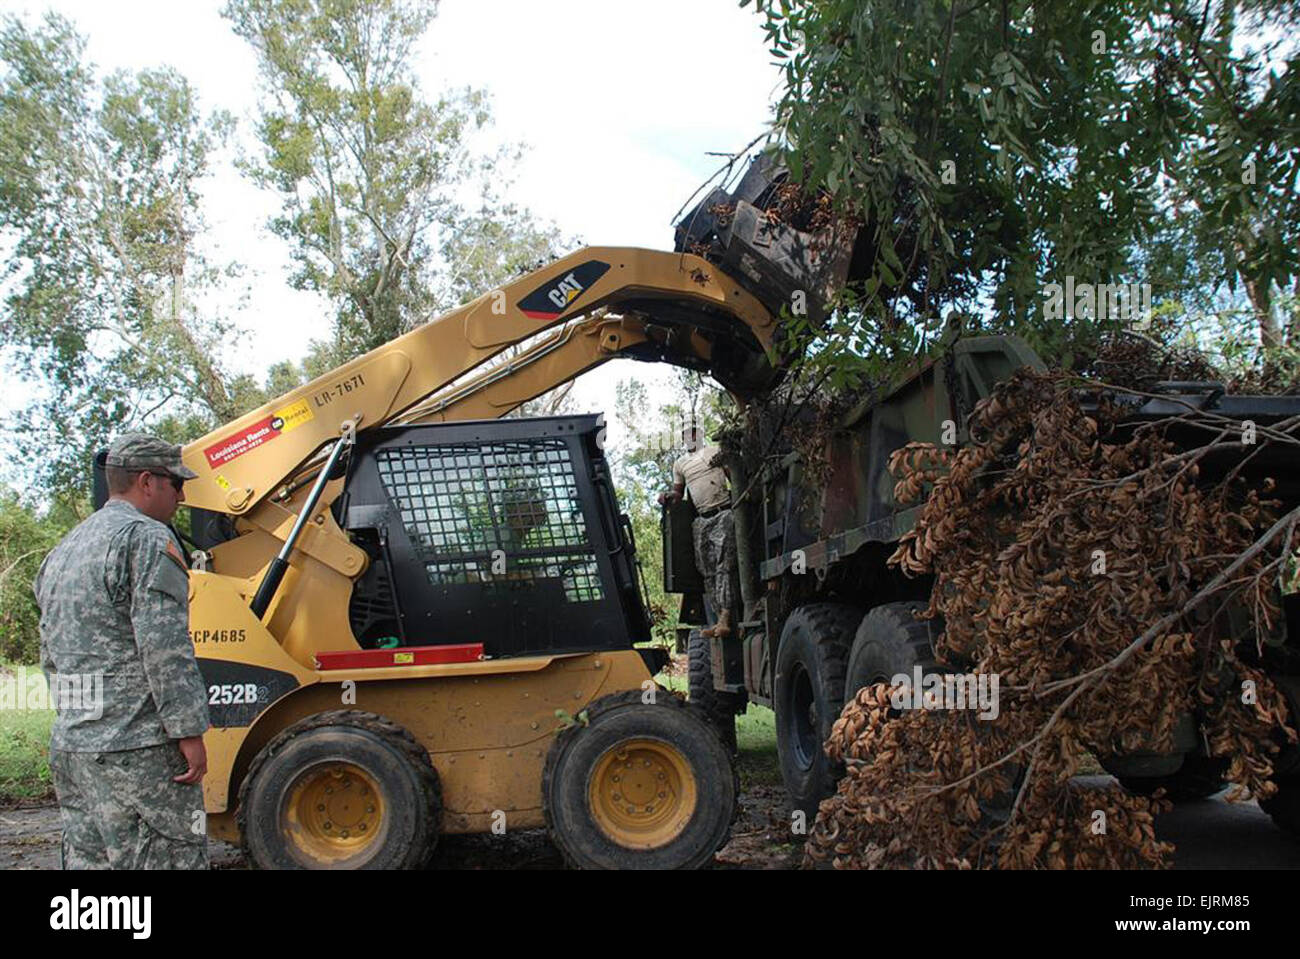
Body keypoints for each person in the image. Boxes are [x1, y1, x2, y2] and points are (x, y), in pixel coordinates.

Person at [34, 433, 212, 869]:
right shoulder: (147, 539)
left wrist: (80, 723)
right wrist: (188, 730)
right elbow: (164, 645)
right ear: (147, 482)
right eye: (176, 483)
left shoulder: (64, 549)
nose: (182, 495)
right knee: (167, 857)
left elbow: (50, 655)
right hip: (141, 750)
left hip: (75, 747)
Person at [660, 425, 736, 638]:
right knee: (707, 569)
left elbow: (733, 477)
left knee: (725, 565)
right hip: (702, 519)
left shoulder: (715, 452)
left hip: (723, 512)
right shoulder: (680, 464)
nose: (690, 437)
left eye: (693, 433)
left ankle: (726, 617)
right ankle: (717, 617)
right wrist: (666, 497)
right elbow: (678, 493)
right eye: (686, 435)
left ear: (700, 435)